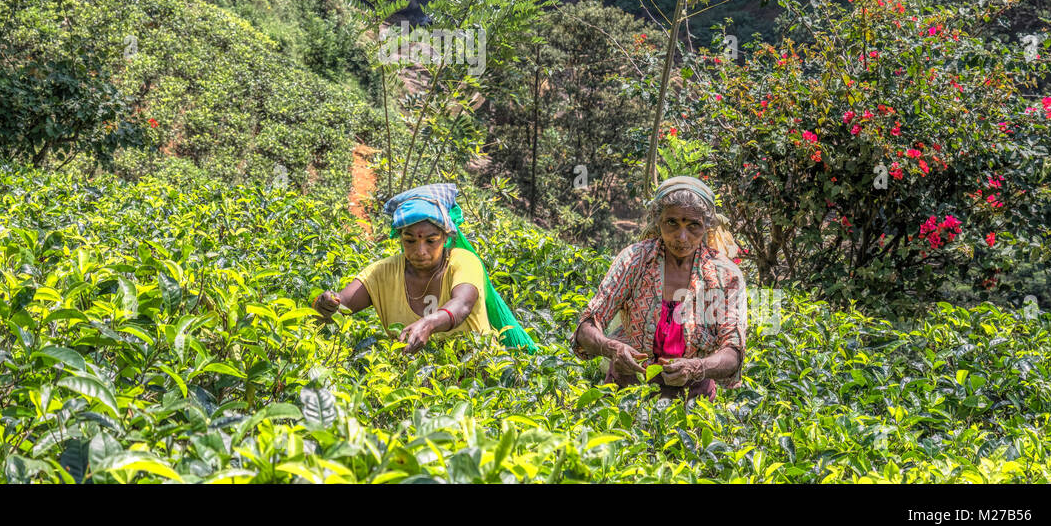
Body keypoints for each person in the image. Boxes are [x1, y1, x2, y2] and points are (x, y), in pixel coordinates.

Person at [571, 175, 746, 400]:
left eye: (693, 225)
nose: (682, 237)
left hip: (692, 403)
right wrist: (612, 348)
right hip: (628, 393)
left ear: (707, 226)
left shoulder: (724, 276)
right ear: (657, 220)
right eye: (672, 222)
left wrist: (696, 367)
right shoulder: (635, 260)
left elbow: (733, 352)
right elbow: (586, 327)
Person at [313, 183, 537, 353]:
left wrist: (429, 323)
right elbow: (342, 303)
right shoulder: (383, 273)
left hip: (475, 382)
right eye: (410, 241)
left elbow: (462, 304)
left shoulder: (464, 262)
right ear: (399, 238)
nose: (420, 251)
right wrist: (325, 303)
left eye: (430, 241)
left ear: (446, 238)